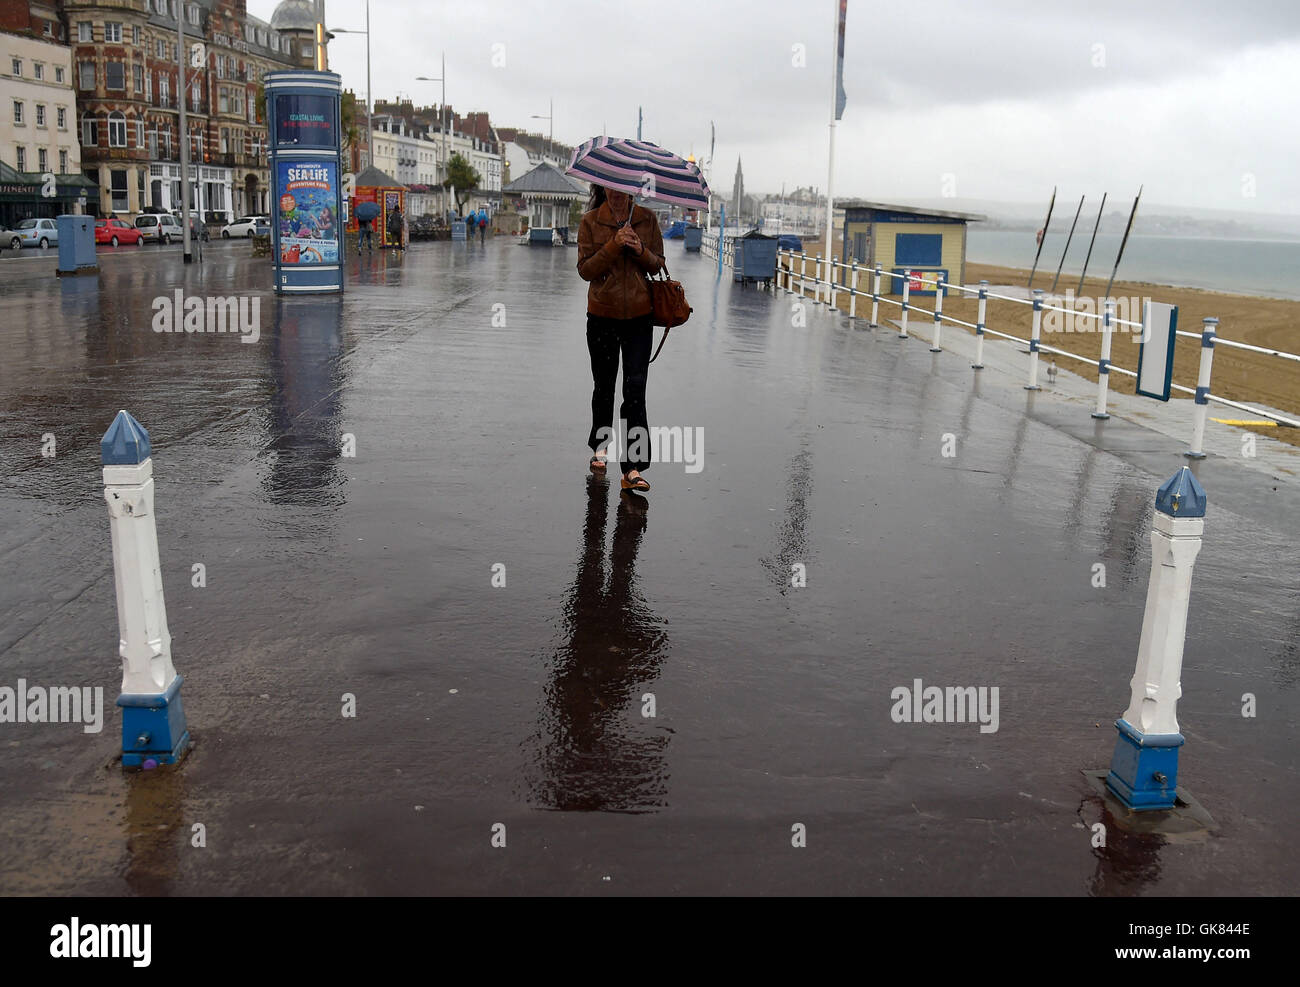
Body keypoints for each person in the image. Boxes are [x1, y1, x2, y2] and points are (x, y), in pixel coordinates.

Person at [576, 184, 664, 493]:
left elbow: (657, 264)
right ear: (602, 188)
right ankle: (600, 448)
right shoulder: (590, 221)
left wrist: (640, 249)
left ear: (631, 191)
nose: (615, 193)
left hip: (640, 318)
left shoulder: (647, 220)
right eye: (610, 187)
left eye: (622, 188)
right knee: (604, 386)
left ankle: (633, 468)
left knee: (635, 391)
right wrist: (614, 244)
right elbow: (585, 270)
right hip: (601, 316)